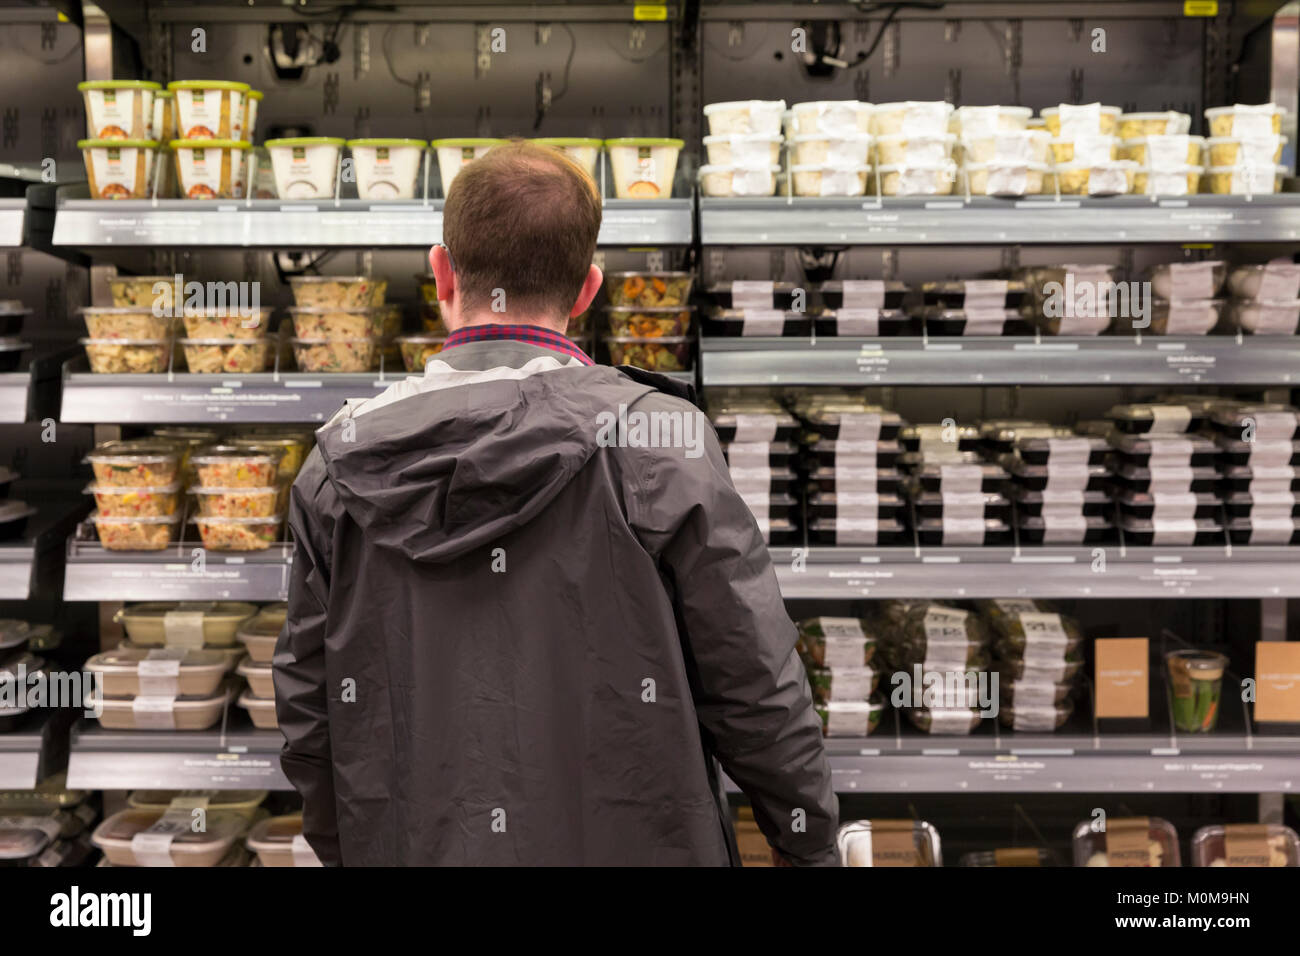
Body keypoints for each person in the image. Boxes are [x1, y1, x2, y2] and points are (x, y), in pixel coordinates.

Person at [273, 139, 837, 866]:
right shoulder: (661, 444)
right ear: (588, 290)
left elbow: (311, 714)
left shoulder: (335, 468)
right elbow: (756, 684)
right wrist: (810, 845)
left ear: (441, 273)